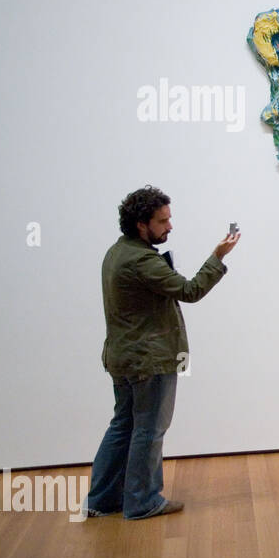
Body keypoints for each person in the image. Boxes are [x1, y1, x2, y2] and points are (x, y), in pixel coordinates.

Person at [84, 186, 239, 519]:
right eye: (162, 221)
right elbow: (189, 290)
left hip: (123, 356)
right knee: (148, 430)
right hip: (148, 360)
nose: (170, 227)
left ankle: (102, 499)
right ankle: (142, 501)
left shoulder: (117, 251)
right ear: (142, 224)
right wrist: (218, 257)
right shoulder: (141, 259)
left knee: (123, 425)